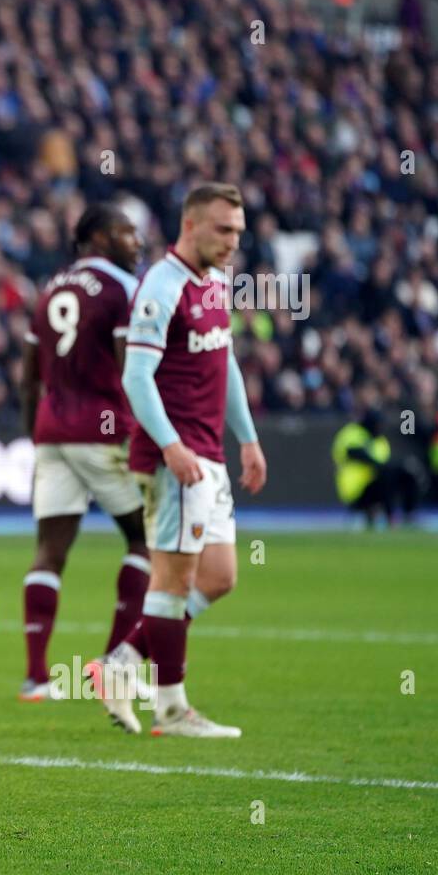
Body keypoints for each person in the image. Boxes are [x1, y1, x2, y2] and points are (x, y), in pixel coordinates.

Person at [98, 182, 267, 738]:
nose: (233, 242)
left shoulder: (216, 282)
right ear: (190, 226)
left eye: (238, 232)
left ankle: (121, 665)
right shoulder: (160, 287)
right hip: (175, 457)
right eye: (223, 229)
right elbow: (136, 377)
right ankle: (172, 710)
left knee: (219, 576)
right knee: (172, 581)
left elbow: (227, 366)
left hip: (209, 454)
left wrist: (247, 438)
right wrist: (171, 445)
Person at [19, 202, 149, 708]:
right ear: (97, 237)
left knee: (50, 550)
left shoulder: (49, 288)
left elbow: (28, 374)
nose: (135, 242)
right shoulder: (121, 288)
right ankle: (117, 661)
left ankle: (35, 678)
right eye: (126, 231)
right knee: (147, 542)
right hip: (105, 429)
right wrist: (145, 432)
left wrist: (36, 431)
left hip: (53, 429)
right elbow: (131, 366)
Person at [332, 409, 420, 525]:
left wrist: (405, 467)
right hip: (356, 490)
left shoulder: (381, 441)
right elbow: (357, 454)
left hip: (375, 486)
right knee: (387, 475)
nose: (380, 427)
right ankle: (390, 518)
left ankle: (409, 515)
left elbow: (384, 464)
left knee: (406, 474)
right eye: (377, 423)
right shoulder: (352, 433)